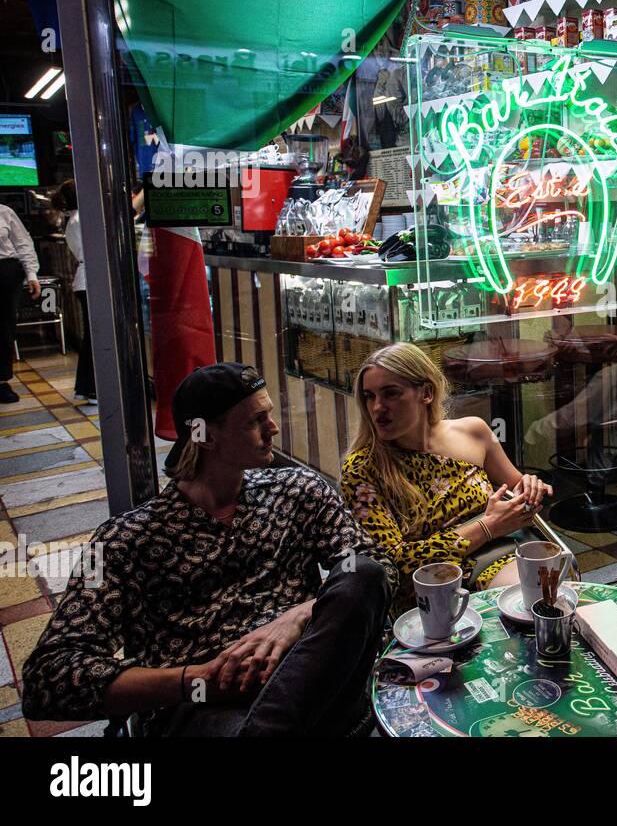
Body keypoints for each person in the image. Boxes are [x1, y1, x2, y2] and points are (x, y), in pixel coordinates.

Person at [21, 363, 395, 736]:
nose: (273, 428)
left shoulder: (298, 490)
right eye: (256, 421)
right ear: (205, 436)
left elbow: (372, 565)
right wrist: (197, 680)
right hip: (203, 709)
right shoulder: (126, 540)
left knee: (363, 573)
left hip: (313, 673)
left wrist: (300, 616)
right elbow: (48, 678)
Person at [340, 342, 554, 618]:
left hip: (503, 553)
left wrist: (531, 487)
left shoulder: (473, 431)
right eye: (369, 396)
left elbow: (515, 486)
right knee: (530, 598)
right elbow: (393, 562)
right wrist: (487, 527)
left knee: (548, 589)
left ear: (426, 393)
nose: (378, 407)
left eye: (391, 393)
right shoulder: (363, 468)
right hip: (437, 584)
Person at [51, 180, 95, 403]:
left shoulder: (74, 219)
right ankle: (90, 388)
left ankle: (87, 387)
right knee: (94, 337)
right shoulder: (81, 220)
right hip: (90, 282)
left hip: (86, 281)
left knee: (92, 337)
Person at [0, 200, 41, 404]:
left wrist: (31, 274)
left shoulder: (4, 212)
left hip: (6, 271)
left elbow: (23, 243)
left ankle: (2, 380)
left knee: (5, 328)